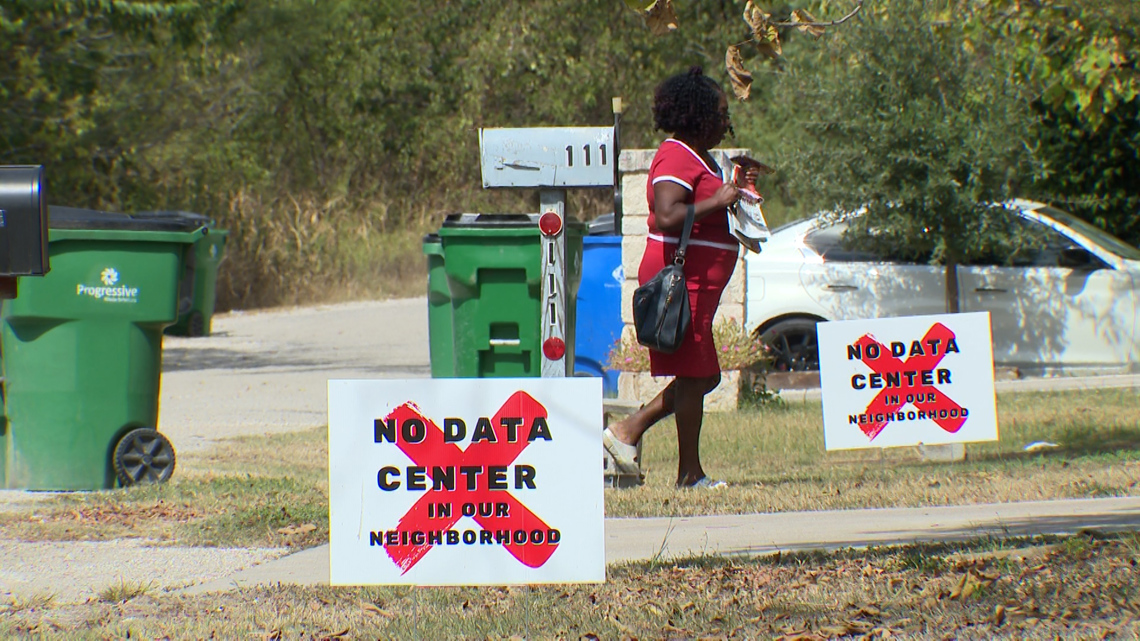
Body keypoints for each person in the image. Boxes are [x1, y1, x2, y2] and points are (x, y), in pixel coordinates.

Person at [603, 66, 757, 489]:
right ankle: (687, 472)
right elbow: (667, 215)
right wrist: (720, 198)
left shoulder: (701, 157)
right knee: (698, 374)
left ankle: (629, 431)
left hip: (699, 285)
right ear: (697, 114)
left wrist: (739, 197)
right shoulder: (673, 154)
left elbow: (704, 207)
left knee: (702, 374)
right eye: (721, 113)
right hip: (682, 282)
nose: (727, 122)